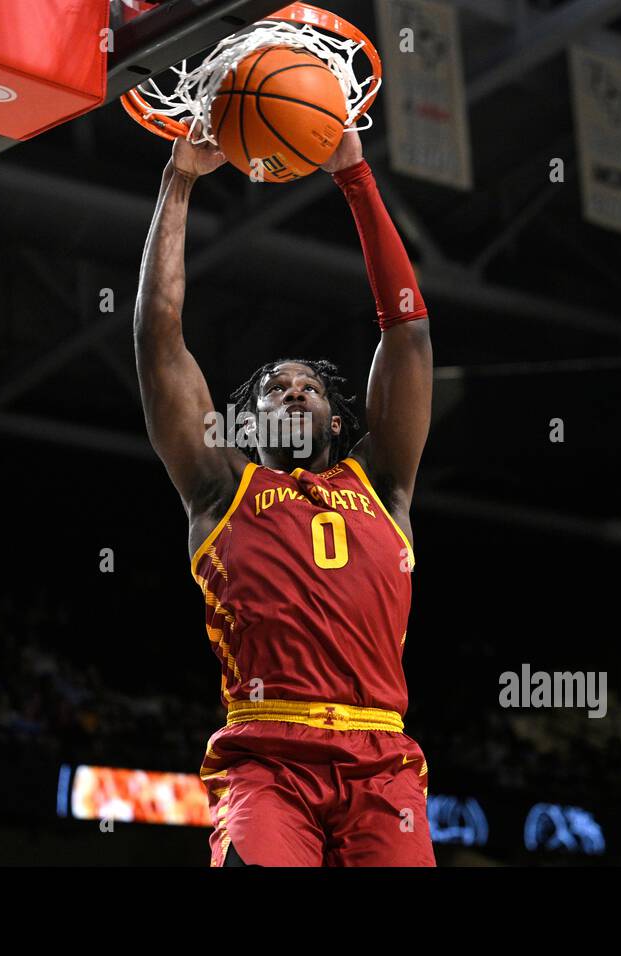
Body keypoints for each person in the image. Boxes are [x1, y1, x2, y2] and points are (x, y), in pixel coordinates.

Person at [133, 126, 435, 866]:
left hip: (382, 759)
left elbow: (409, 333)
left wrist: (356, 176)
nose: (294, 390)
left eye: (309, 386)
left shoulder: (383, 481)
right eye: (276, 386)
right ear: (248, 419)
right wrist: (179, 180)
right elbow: (158, 337)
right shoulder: (220, 487)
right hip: (266, 756)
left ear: (338, 418)